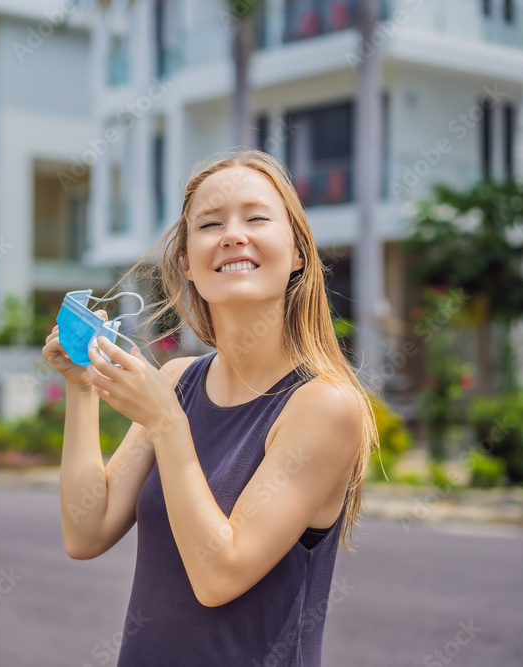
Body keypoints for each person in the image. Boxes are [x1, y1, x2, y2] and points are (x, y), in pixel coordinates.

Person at [42, 148, 380, 665]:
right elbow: (85, 531)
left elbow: (219, 575)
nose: (232, 234)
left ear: (297, 254)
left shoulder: (325, 405)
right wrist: (82, 388)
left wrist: (166, 422)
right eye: (210, 224)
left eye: (257, 217)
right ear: (186, 265)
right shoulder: (178, 381)